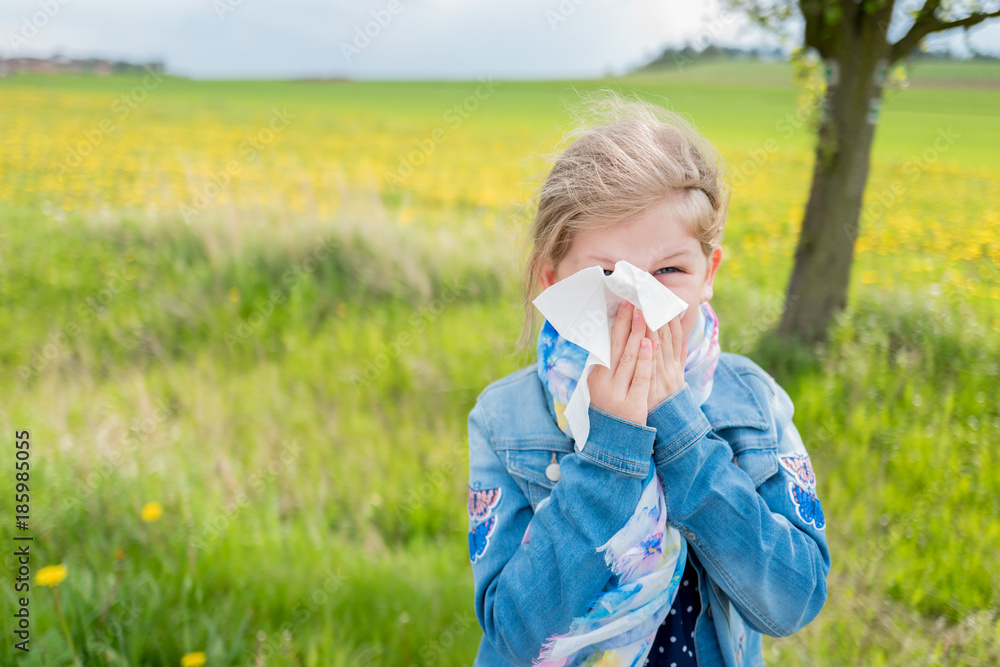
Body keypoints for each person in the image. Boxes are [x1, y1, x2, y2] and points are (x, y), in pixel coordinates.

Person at [466, 90, 830, 666]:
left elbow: (792, 600)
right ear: (552, 279)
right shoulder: (506, 419)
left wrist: (682, 435)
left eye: (669, 270)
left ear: (708, 272)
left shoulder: (754, 403)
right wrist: (609, 453)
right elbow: (513, 635)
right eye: (607, 274)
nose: (640, 302)